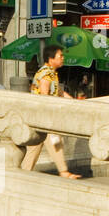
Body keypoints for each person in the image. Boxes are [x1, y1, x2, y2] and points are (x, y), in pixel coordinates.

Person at [21, 44, 83, 178]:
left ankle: (22, 174)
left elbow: (59, 92)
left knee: (35, 147)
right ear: (51, 58)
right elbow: (44, 95)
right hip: (44, 117)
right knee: (55, 142)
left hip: (39, 117)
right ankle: (63, 171)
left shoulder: (51, 73)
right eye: (60, 56)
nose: (62, 58)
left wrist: (74, 102)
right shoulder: (46, 74)